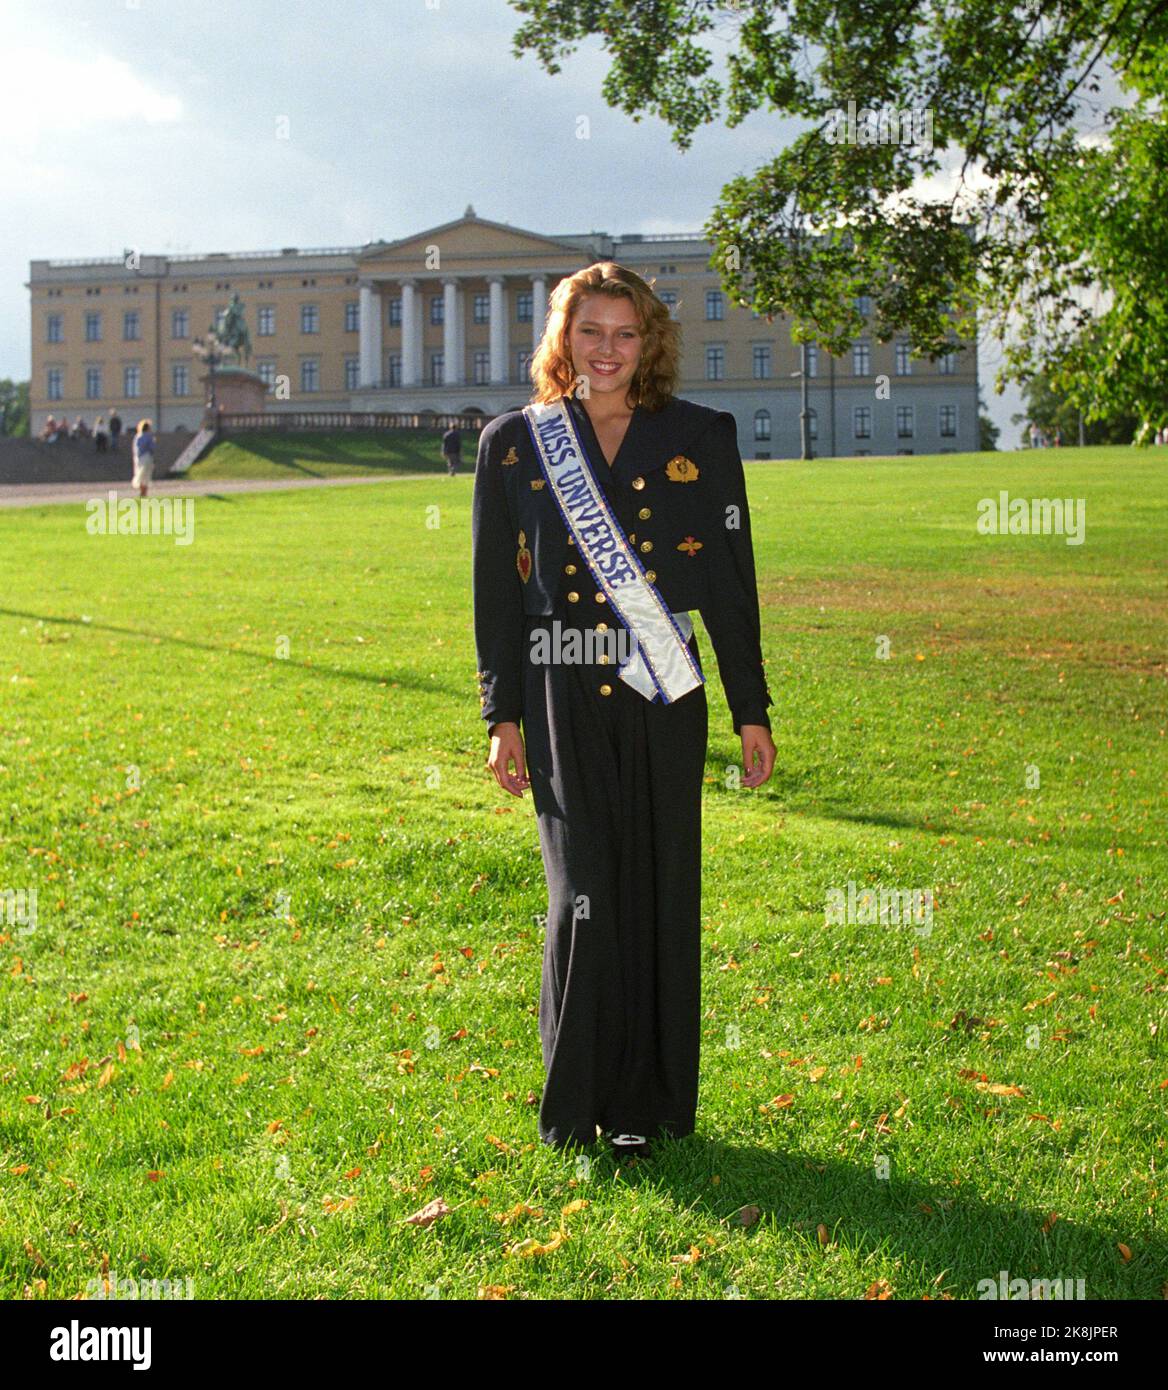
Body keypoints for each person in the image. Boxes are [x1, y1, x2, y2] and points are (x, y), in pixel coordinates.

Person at [471, 261, 776, 1157]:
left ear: (650, 343)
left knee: (655, 884)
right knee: (582, 893)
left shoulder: (702, 436)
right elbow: (495, 590)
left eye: (625, 333)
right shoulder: (514, 443)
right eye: (589, 331)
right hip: (559, 686)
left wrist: (750, 707)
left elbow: (729, 581)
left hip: (661, 685)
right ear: (563, 339)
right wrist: (503, 716)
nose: (606, 350)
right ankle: (574, 1101)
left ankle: (641, 1106)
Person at [130, 418, 156, 497]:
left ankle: (141, 491)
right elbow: (152, 448)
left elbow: (136, 449)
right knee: (146, 475)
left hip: (139, 458)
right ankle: (144, 492)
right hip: (147, 457)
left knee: (140, 474)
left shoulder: (138, 437)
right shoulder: (149, 437)